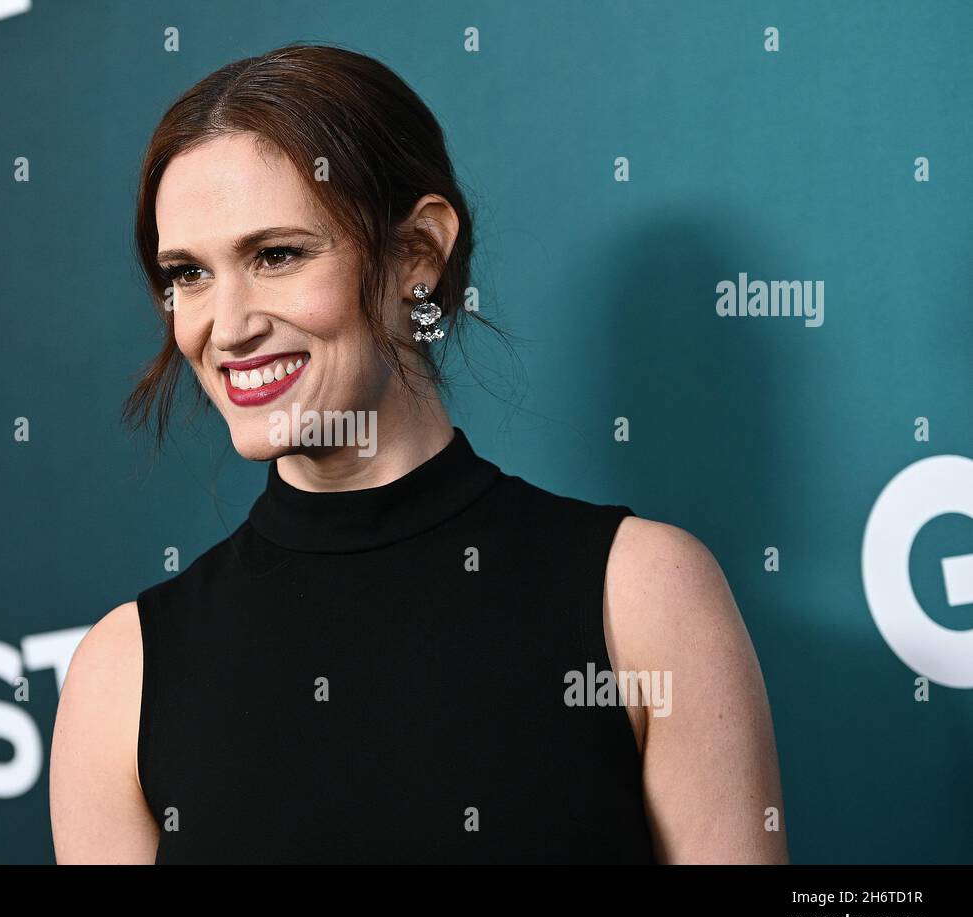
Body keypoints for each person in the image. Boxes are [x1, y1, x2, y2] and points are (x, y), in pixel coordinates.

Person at [50, 42, 788, 864]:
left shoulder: (643, 595)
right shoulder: (124, 673)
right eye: (187, 273)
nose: (226, 326)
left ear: (418, 255)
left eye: (277, 255)